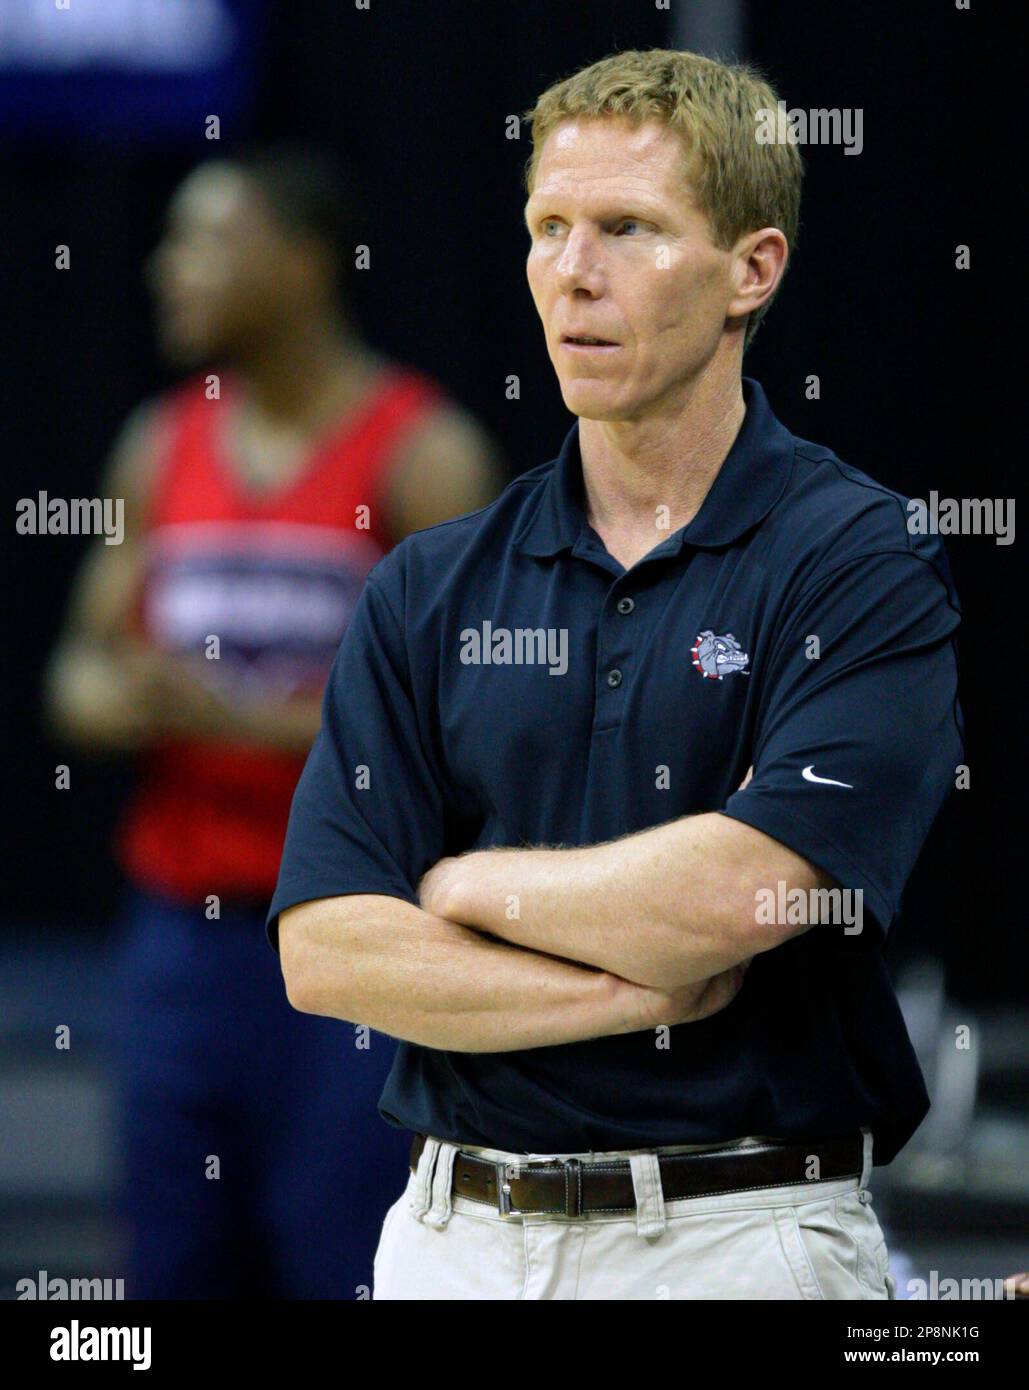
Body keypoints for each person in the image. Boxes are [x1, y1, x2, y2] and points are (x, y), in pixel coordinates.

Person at [265, 52, 964, 1300]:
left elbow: (748, 902)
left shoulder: (858, 557)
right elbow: (330, 951)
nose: (572, 274)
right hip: (453, 1233)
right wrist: (635, 974)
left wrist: (463, 881)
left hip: (738, 1232)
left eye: (628, 229)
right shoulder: (432, 585)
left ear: (753, 269)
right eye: (549, 227)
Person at [45, 145, 505, 1299]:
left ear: (302, 265)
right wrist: (134, 697)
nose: (168, 270)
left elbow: (479, 720)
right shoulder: (160, 445)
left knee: (340, 1264)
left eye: (204, 240)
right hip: (180, 945)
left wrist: (242, 723)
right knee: (167, 1278)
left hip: (353, 944)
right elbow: (75, 678)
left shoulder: (423, 453)